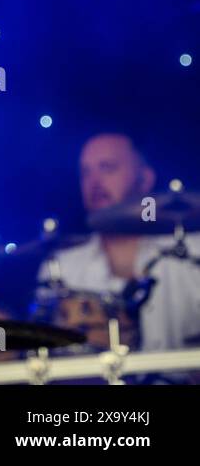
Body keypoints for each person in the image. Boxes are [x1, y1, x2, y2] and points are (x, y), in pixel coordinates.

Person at [38, 133, 200, 352]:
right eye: (85, 173)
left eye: (107, 168)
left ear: (144, 180)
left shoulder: (192, 254)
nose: (94, 182)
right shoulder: (60, 267)